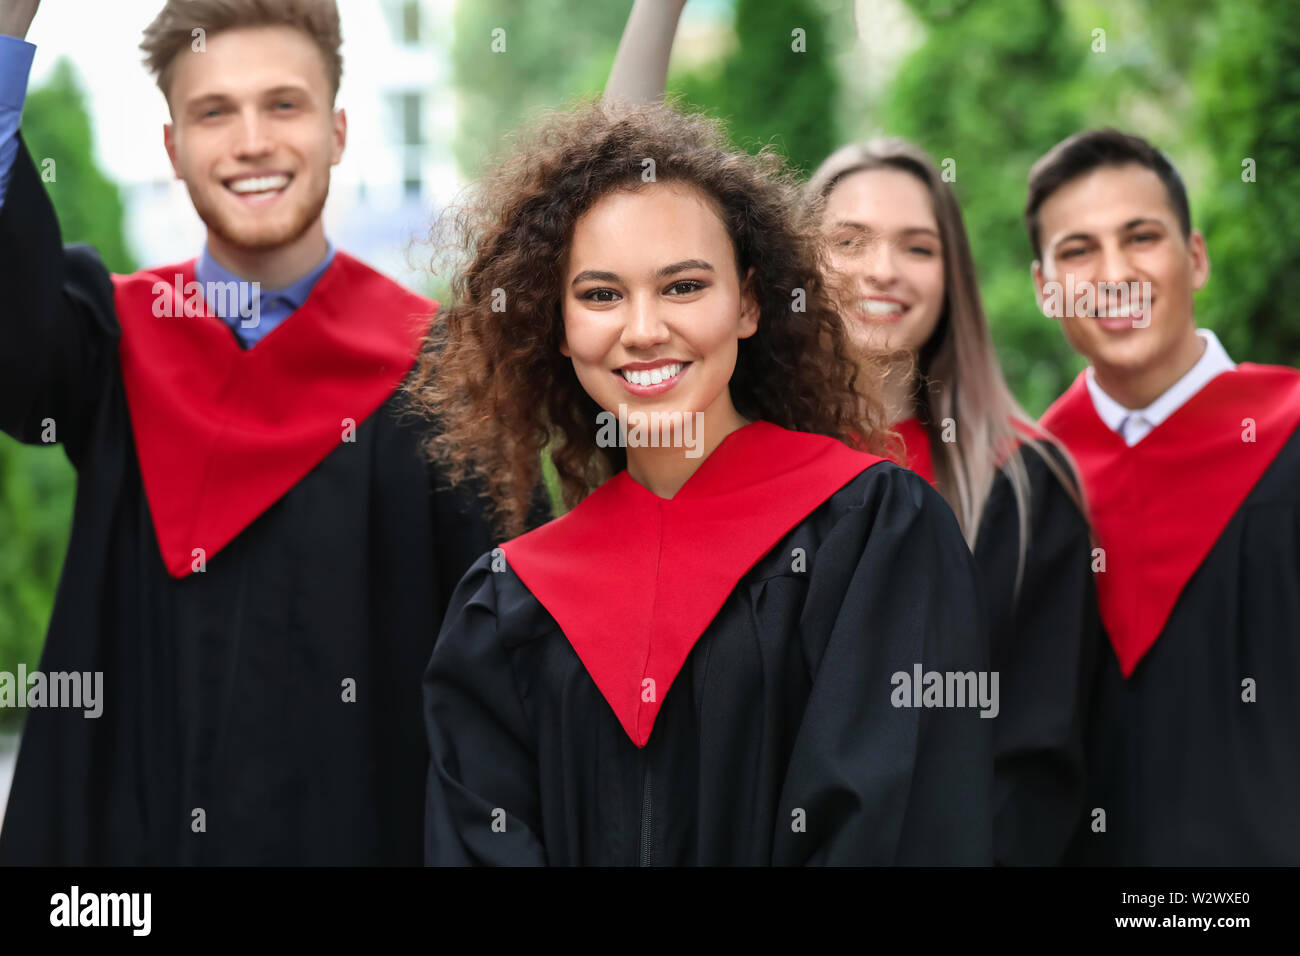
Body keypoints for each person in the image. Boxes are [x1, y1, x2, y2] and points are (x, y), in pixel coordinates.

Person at [412, 101, 993, 865]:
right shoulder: (508, 606)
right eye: (600, 294)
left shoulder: (872, 534)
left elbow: (895, 829)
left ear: (749, 303)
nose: (644, 328)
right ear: (556, 326)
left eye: (683, 286)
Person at [604, 0, 1100, 866]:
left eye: (917, 246)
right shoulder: (727, 456)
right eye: (849, 239)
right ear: (799, 267)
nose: (882, 269)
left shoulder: (1020, 483)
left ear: (954, 276)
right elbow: (621, 193)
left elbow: (1035, 752)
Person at [0, 0, 493, 864]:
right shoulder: (107, 342)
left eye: (284, 104)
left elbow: (501, 675)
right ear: (172, 148)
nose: (252, 140)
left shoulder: (443, 375)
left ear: (339, 132)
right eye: (214, 111)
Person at [1030, 128, 1300, 865]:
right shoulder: (1024, 489)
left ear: (1197, 257)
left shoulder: (1289, 434)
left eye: (1141, 236)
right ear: (1043, 286)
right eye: (1077, 251)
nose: (1113, 272)